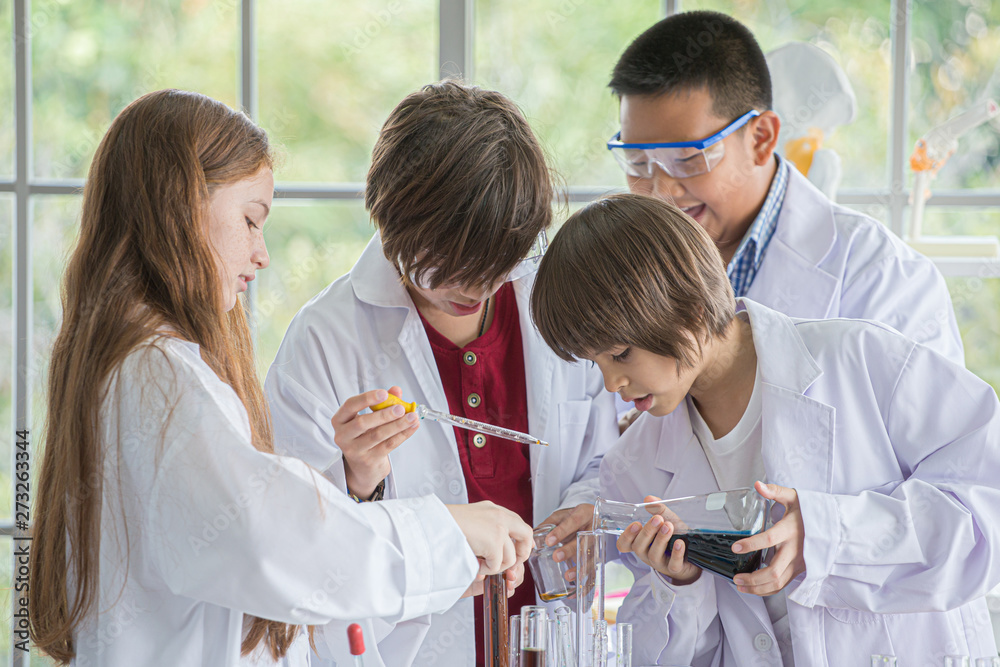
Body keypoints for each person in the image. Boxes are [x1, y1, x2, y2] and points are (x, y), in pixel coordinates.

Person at [27, 89, 533, 667]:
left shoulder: (151, 370)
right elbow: (275, 542)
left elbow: (267, 564)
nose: (261, 254)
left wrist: (425, 561)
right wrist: (443, 533)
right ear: (180, 205)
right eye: (250, 220)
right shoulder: (157, 378)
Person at [530, 193, 1000, 666]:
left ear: (686, 306)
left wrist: (828, 536)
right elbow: (672, 652)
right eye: (596, 363)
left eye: (621, 354)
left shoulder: (861, 360)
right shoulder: (632, 468)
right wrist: (682, 584)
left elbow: (986, 509)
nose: (612, 383)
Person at [265, 81, 618, 666]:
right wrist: (358, 478)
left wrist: (586, 510)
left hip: (550, 639)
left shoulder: (552, 303)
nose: (476, 289)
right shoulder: (325, 340)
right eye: (447, 267)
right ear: (390, 224)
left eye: (497, 265)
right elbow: (293, 546)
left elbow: (609, 457)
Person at [605, 12, 963, 427]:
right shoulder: (620, 267)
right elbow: (596, 450)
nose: (660, 190)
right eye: (637, 162)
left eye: (688, 159)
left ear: (760, 139)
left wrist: (812, 497)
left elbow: (951, 480)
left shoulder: (888, 280)